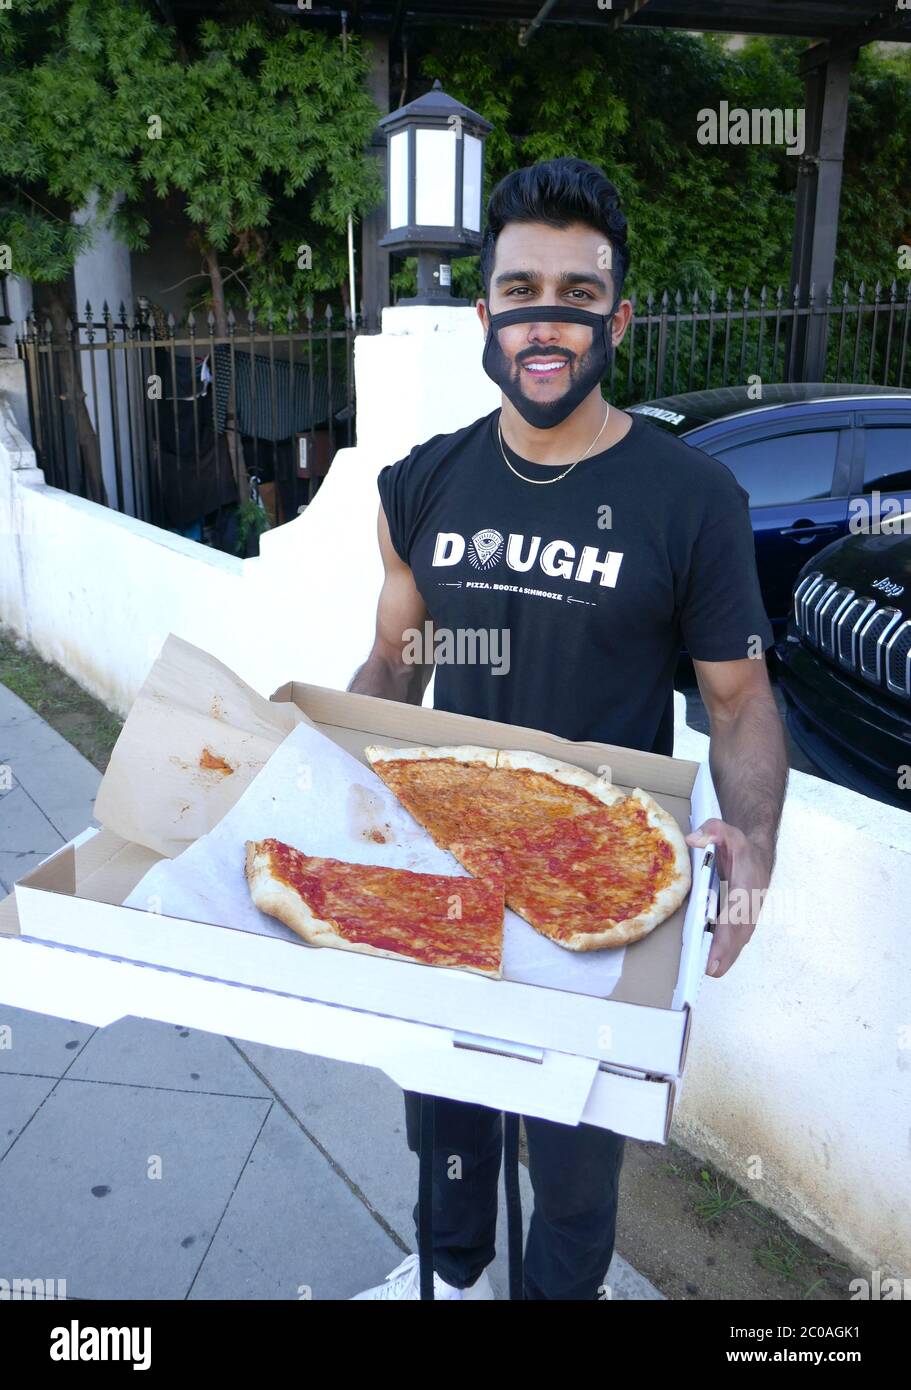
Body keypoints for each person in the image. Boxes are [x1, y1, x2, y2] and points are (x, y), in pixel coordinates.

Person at [347, 155, 788, 1301]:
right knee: (442, 1107)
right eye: (521, 289)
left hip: (606, 881)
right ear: (484, 312)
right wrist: (333, 783)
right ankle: (447, 1274)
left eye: (578, 295)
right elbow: (397, 661)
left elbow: (738, 703)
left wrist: (753, 852)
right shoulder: (420, 484)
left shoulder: (689, 499)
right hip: (445, 860)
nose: (547, 319)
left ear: (616, 317)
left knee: (577, 1156)